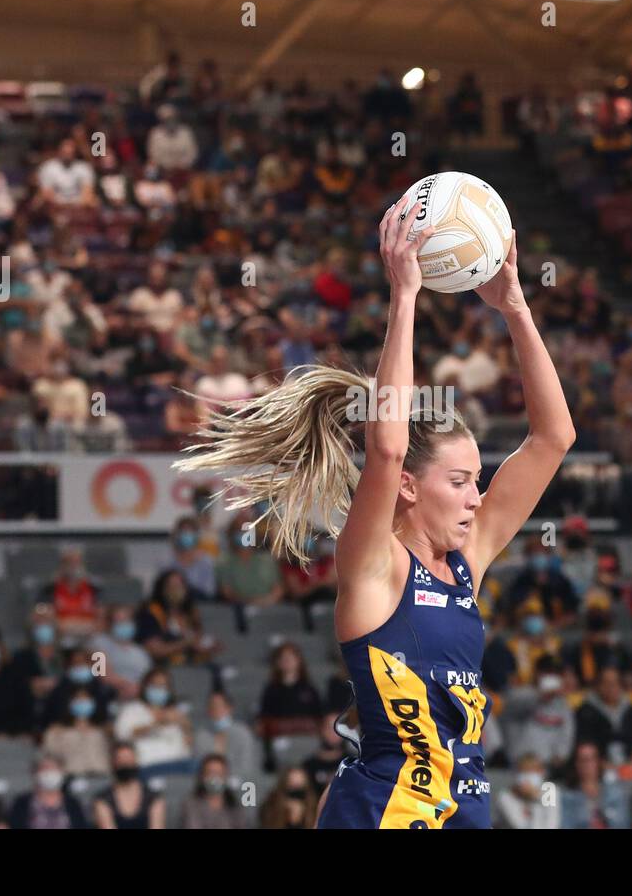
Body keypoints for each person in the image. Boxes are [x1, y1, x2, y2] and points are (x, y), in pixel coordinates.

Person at [176, 199, 573, 830]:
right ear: (408, 488)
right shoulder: (375, 565)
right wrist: (405, 296)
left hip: (463, 807)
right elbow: (386, 446)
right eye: (460, 481)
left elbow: (553, 439)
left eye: (478, 481)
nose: (478, 497)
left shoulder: (465, 562)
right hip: (384, 809)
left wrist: (515, 308)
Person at [113, 668, 193, 778]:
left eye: (163, 686)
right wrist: (158, 724)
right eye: (155, 685)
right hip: (146, 766)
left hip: (175, 768)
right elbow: (122, 735)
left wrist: (186, 727)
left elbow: (187, 745)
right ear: (145, 686)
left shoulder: (175, 712)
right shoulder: (132, 709)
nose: (159, 689)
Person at [41, 685, 112, 777]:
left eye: (86, 699)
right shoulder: (58, 731)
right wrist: (53, 735)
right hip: (71, 775)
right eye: (78, 699)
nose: (82, 702)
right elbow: (50, 754)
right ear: (70, 703)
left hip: (101, 775)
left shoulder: (104, 730)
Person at [92, 742, 167, 829]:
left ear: (136, 761)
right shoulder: (102, 800)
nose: (125, 763)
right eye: (120, 760)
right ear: (112, 763)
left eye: (129, 759)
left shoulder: (154, 798)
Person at [192, 690, 260, 784]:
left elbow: (247, 765)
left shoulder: (243, 734)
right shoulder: (201, 735)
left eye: (219, 706)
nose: (215, 710)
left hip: (239, 782)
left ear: (229, 708)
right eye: (211, 707)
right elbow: (199, 765)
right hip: (208, 783)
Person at [8, 754, 90, 829]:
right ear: (35, 773)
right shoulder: (21, 804)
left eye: (54, 768)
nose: (49, 772)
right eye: (45, 768)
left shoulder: (73, 804)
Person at [559, 741, 630, 829]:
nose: (587, 765)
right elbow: (566, 825)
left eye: (591, 759)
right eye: (583, 760)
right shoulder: (567, 797)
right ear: (576, 764)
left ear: (599, 762)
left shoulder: (615, 793)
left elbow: (623, 824)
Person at [573, 664, 632, 764]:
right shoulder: (585, 712)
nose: (610, 687)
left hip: (631, 765)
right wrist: (605, 765)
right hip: (599, 766)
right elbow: (585, 744)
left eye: (614, 683)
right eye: (606, 683)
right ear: (598, 686)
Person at [181, 753, 249, 829]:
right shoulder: (191, 804)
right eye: (210, 773)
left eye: (219, 773)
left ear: (227, 776)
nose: (215, 777)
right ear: (202, 776)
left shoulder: (235, 805)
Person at [495, 754, 560, 829]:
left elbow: (552, 825)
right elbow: (520, 826)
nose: (528, 777)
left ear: (542, 772)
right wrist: (534, 799)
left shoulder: (549, 791)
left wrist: (536, 797)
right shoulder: (505, 797)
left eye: (533, 771)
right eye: (524, 771)